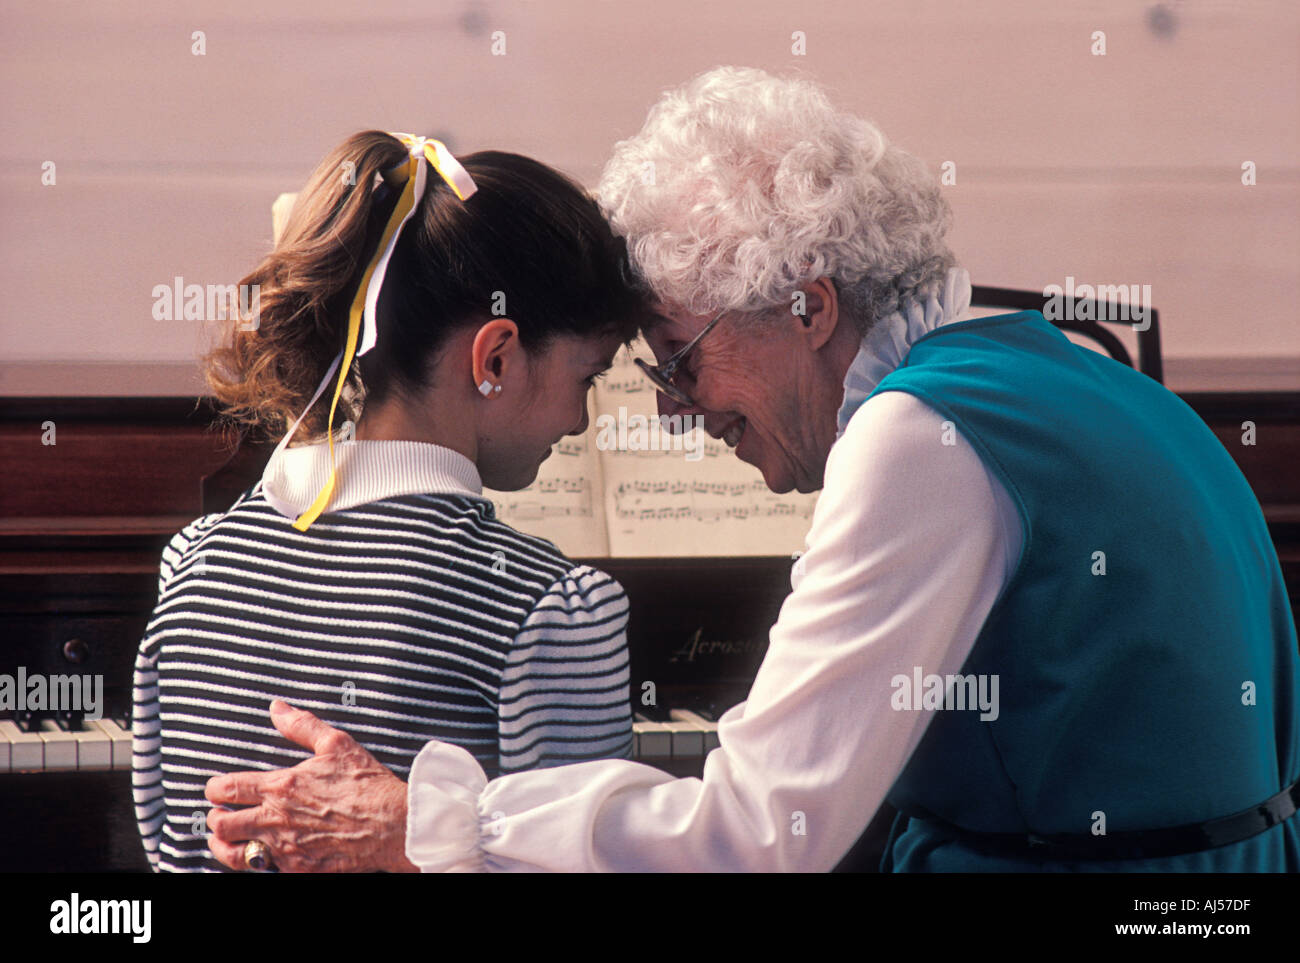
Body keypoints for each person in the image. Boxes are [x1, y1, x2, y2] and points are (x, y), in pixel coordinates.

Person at [204, 68, 1300, 873]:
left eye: (678, 361)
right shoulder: (1074, 376)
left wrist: (433, 827)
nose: (675, 416)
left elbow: (757, 835)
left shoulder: (916, 435)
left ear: (807, 307)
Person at [132, 130, 651, 871]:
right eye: (588, 377)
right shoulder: (556, 606)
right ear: (496, 356)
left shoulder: (194, 559)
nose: (579, 420)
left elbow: (164, 844)